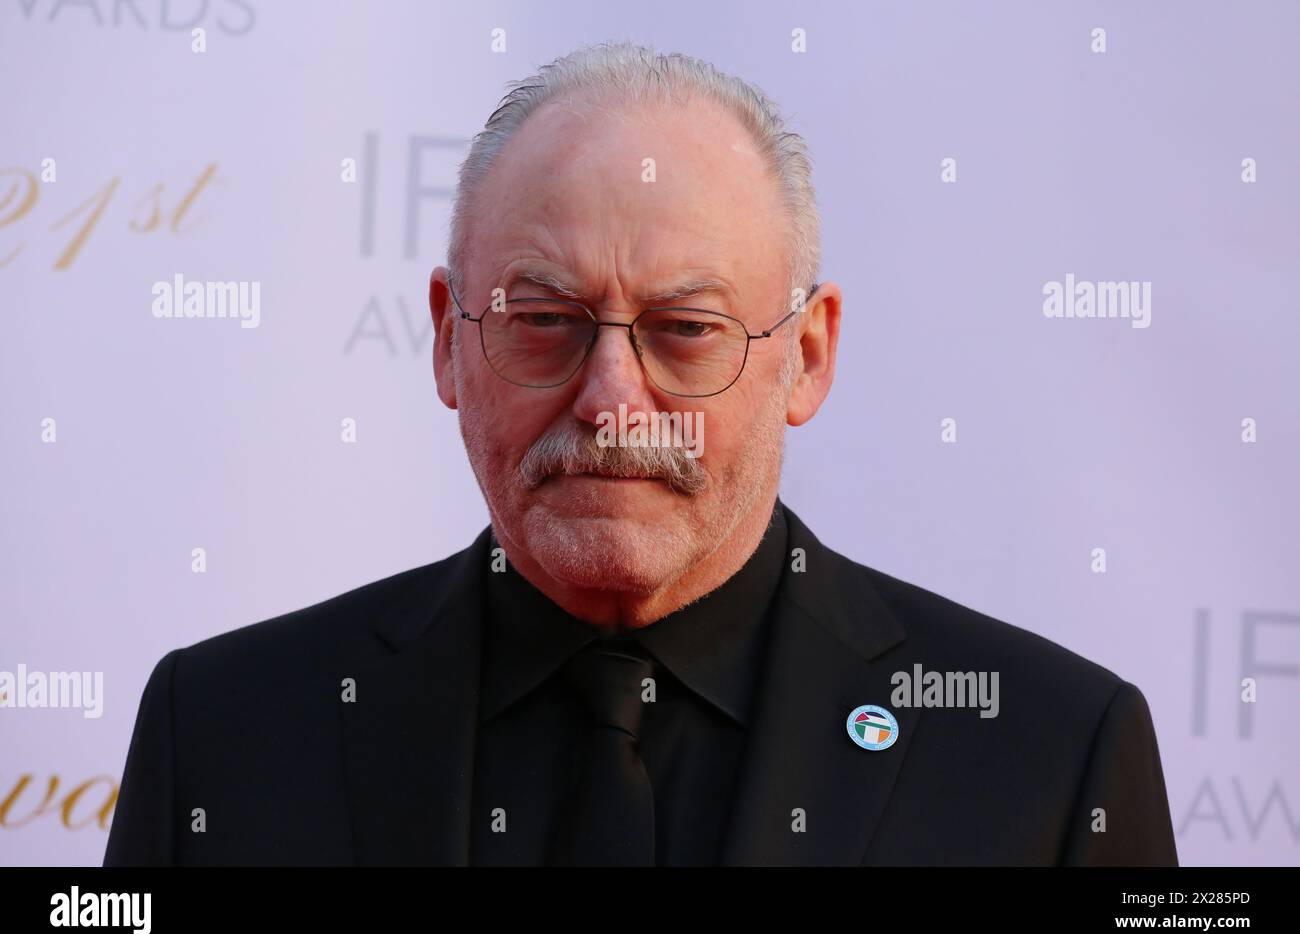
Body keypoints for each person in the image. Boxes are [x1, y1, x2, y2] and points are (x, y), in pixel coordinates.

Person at [104, 41, 1177, 866]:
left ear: (805, 356)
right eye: (544, 318)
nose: (613, 401)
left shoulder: (1047, 755)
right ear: (446, 339)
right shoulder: (225, 730)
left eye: (684, 328)